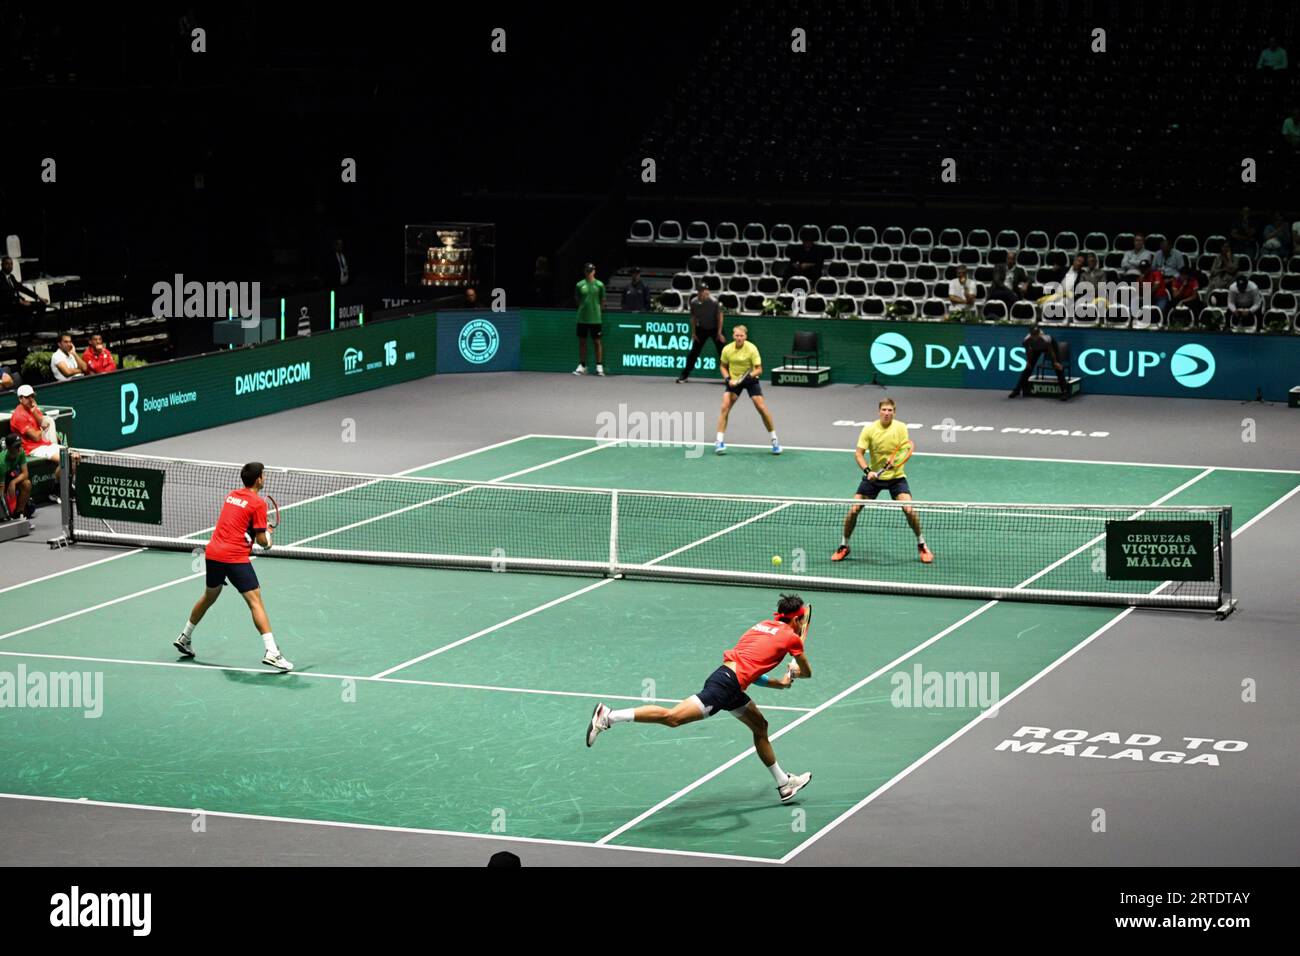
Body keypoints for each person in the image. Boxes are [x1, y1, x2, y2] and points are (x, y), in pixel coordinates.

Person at [585, 594, 814, 805]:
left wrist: (779, 683)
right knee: (672, 718)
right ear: (797, 619)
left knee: (760, 726)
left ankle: (784, 784)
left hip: (728, 680)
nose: (803, 624)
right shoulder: (791, 639)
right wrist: (794, 671)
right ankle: (609, 716)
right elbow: (808, 673)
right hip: (725, 687)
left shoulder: (762, 626)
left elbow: (752, 672)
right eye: (802, 620)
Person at [174, 461, 293, 672]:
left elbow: (239, 526)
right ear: (258, 479)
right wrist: (268, 540)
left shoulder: (232, 495)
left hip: (213, 553)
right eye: (263, 475)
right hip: (234, 556)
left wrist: (259, 532)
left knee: (209, 596)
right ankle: (272, 652)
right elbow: (262, 541)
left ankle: (185, 636)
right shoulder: (258, 504)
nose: (265, 478)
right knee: (255, 601)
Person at [831, 397, 933, 564]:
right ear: (879, 411)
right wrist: (868, 471)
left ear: (894, 412)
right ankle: (844, 545)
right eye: (884, 410)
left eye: (890, 410)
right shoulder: (869, 429)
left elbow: (905, 449)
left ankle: (922, 544)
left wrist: (895, 462)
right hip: (874, 477)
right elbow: (858, 454)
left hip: (896, 477)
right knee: (854, 510)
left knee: (909, 510)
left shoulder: (901, 427)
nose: (886, 413)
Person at [715, 325, 779, 455]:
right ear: (733, 336)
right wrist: (728, 379)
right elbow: (722, 366)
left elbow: (759, 369)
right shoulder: (727, 349)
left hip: (750, 379)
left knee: (761, 407)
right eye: (737, 336)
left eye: (741, 336)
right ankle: (719, 441)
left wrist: (746, 378)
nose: (739, 338)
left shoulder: (751, 348)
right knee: (725, 406)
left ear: (745, 336)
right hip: (733, 380)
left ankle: (774, 440)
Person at [9, 384, 75, 495]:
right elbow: (36, 436)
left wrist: (35, 412)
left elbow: (42, 423)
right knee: (66, 459)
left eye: (32, 396)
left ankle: (59, 487)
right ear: (20, 399)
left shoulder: (32, 408)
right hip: (32, 449)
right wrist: (42, 428)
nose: (31, 399)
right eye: (27, 397)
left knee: (73, 457)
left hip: (43, 444)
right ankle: (58, 490)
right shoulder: (19, 416)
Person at [677, 283, 726, 384]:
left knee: (724, 353)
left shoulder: (714, 302)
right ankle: (684, 375)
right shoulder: (694, 302)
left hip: (715, 329)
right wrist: (694, 333)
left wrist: (719, 333)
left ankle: (729, 377)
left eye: (704, 290)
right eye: (700, 290)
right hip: (702, 329)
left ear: (707, 291)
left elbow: (720, 318)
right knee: (693, 352)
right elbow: (693, 317)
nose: (702, 292)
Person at [1009, 325, 1069, 401]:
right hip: (1036, 348)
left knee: (1058, 367)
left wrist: (1055, 362)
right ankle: (1016, 390)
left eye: (1036, 335)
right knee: (1028, 368)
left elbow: (1051, 352)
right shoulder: (1026, 340)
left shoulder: (1046, 339)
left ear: (1039, 333)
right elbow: (1028, 351)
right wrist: (1028, 362)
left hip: (1051, 347)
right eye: (1033, 335)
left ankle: (1065, 392)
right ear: (1030, 334)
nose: (1035, 337)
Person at [573, 263, 606, 377]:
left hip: (596, 319)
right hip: (582, 318)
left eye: (591, 270)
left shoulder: (600, 285)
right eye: (587, 271)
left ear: (594, 271)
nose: (589, 273)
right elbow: (577, 299)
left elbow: (602, 301)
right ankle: (582, 366)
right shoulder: (579, 285)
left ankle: (599, 366)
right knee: (582, 342)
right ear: (585, 272)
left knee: (597, 342)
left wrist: (597, 311)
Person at [2, 432, 34, 521]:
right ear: (8, 448)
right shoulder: (2, 462)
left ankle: (19, 514)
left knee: (26, 484)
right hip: (1, 480)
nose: (19, 448)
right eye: (16, 446)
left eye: (19, 445)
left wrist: (13, 482)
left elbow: (25, 473)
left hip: (9, 477)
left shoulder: (21, 452)